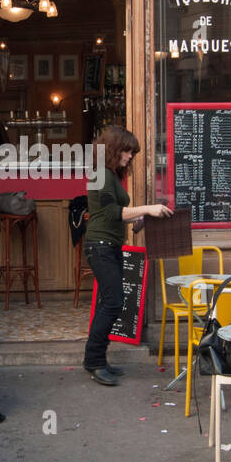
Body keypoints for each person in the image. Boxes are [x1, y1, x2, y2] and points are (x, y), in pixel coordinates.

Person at [82, 126, 172, 385]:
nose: (131, 156)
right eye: (127, 150)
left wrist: (141, 217)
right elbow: (111, 212)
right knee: (113, 301)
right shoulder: (101, 174)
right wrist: (148, 208)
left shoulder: (109, 174)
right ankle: (94, 360)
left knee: (109, 302)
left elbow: (116, 213)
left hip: (109, 245)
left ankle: (98, 357)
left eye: (132, 152)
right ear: (114, 148)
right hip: (100, 246)